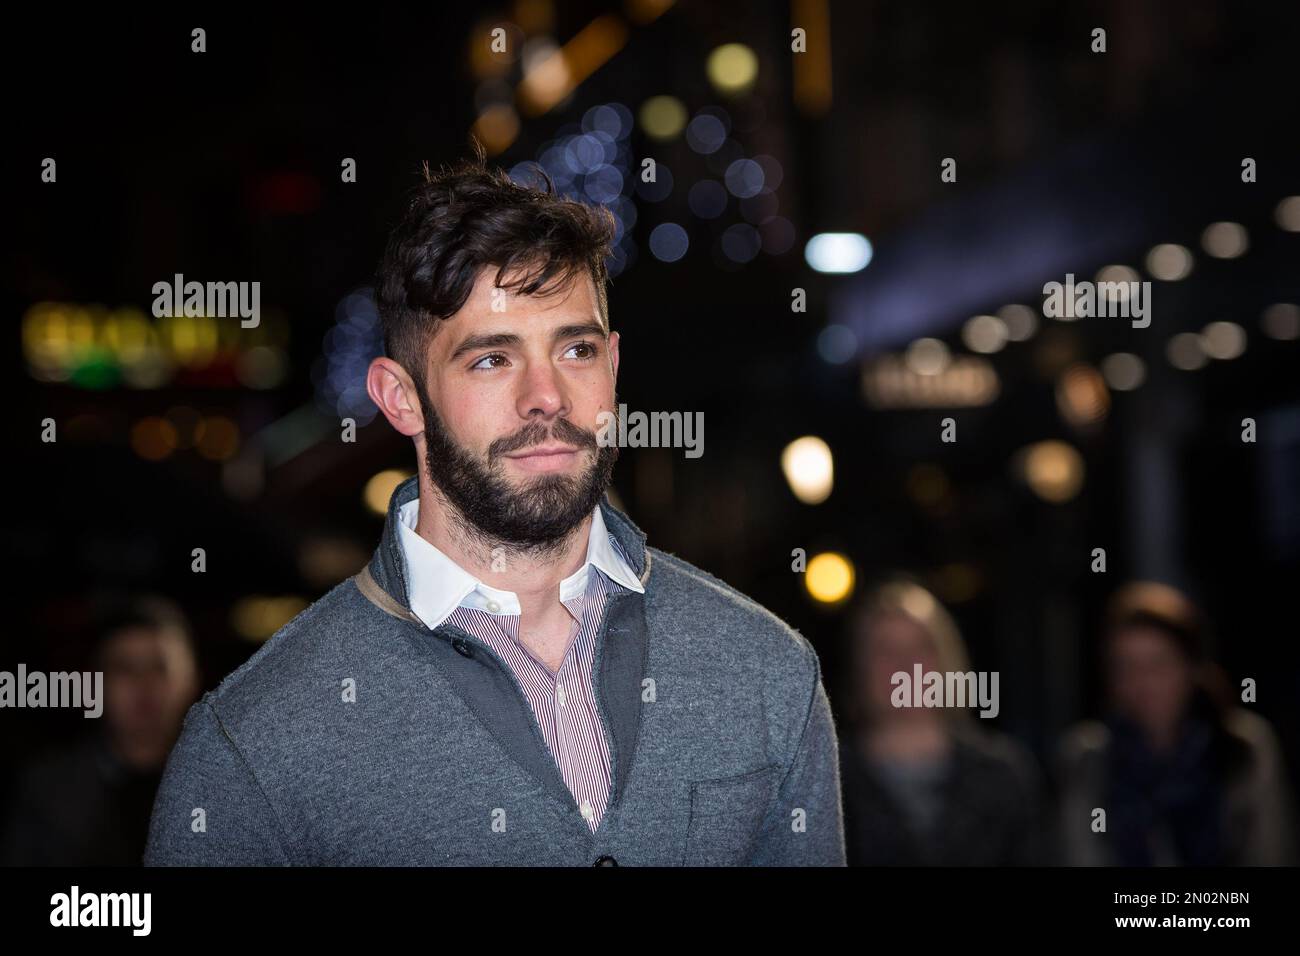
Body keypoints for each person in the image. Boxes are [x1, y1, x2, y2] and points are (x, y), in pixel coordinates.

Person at [144, 147, 845, 866]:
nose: (547, 396)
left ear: (613, 364)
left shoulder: (767, 671)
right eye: (491, 359)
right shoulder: (256, 743)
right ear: (401, 398)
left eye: (575, 350)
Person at [1057, 581, 1295, 866]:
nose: (1142, 683)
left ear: (1192, 668)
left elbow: (1269, 853)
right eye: (1126, 667)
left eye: (1158, 664)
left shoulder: (1242, 747)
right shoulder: (1089, 758)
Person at [838, 579, 1045, 865]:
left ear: (946, 660)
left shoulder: (1003, 775)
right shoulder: (830, 780)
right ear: (860, 669)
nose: (906, 664)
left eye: (919, 648)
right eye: (886, 650)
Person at [2, 597, 199, 865]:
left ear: (190, 678)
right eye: (124, 669)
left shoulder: (231, 789)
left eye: (159, 667)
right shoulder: (44, 792)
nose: (144, 685)